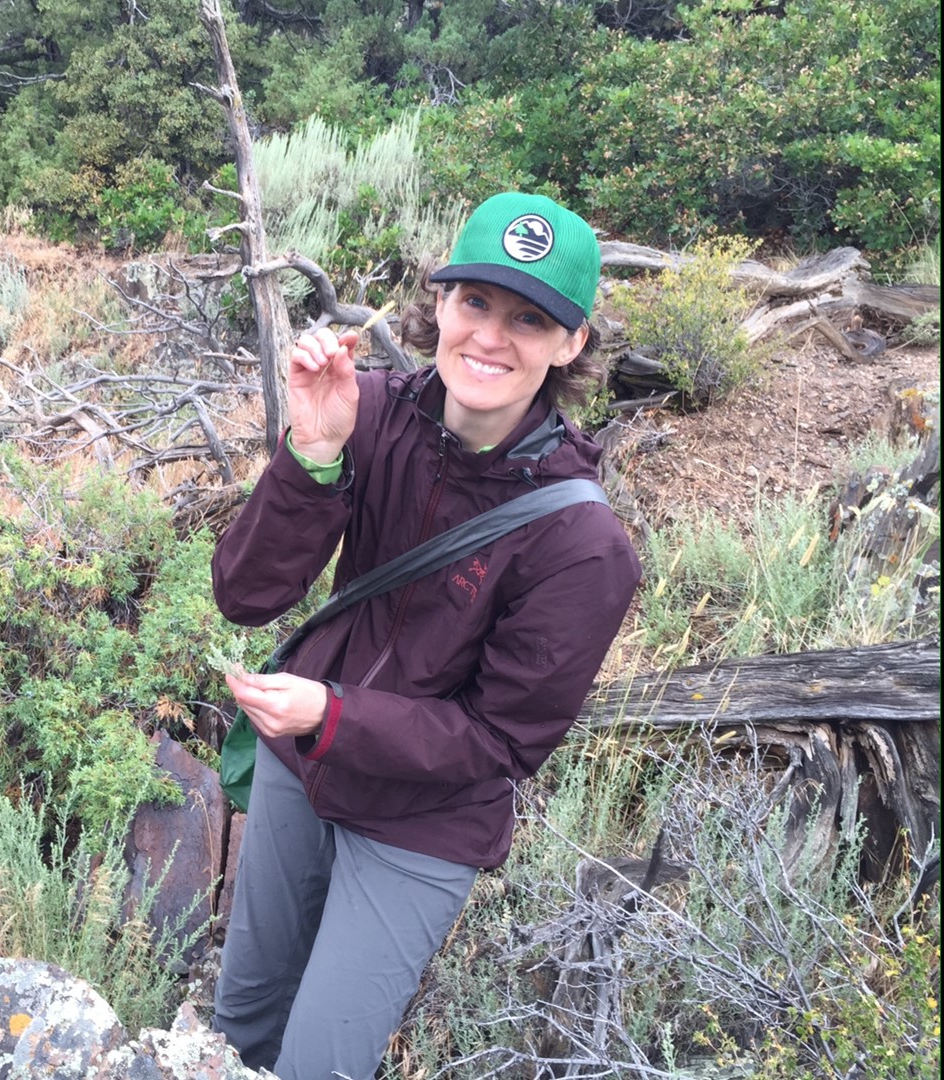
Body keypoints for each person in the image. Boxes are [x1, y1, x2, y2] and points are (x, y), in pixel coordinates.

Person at [209, 191, 643, 1079]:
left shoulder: (583, 543)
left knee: (320, 1062)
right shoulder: (365, 410)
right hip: (301, 770)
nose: (491, 336)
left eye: (530, 319)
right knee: (241, 1020)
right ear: (439, 304)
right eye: (475, 301)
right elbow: (246, 596)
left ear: (570, 344)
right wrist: (312, 453)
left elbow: (499, 743)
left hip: (423, 824)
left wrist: (329, 714)